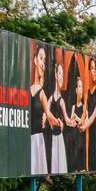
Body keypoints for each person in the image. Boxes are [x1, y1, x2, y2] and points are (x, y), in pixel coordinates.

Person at [28, 46, 55, 176]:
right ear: (34, 60)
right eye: (40, 58)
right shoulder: (27, 89)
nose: (43, 63)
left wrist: (57, 121)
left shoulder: (42, 92)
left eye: (44, 59)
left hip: (37, 139)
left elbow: (48, 114)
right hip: (26, 139)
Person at [48, 58, 71, 175]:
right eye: (60, 73)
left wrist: (76, 121)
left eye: (63, 74)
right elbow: (46, 113)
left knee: (61, 167)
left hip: (59, 138)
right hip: (51, 138)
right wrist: (56, 121)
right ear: (56, 75)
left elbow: (67, 119)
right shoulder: (51, 97)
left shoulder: (61, 100)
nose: (62, 77)